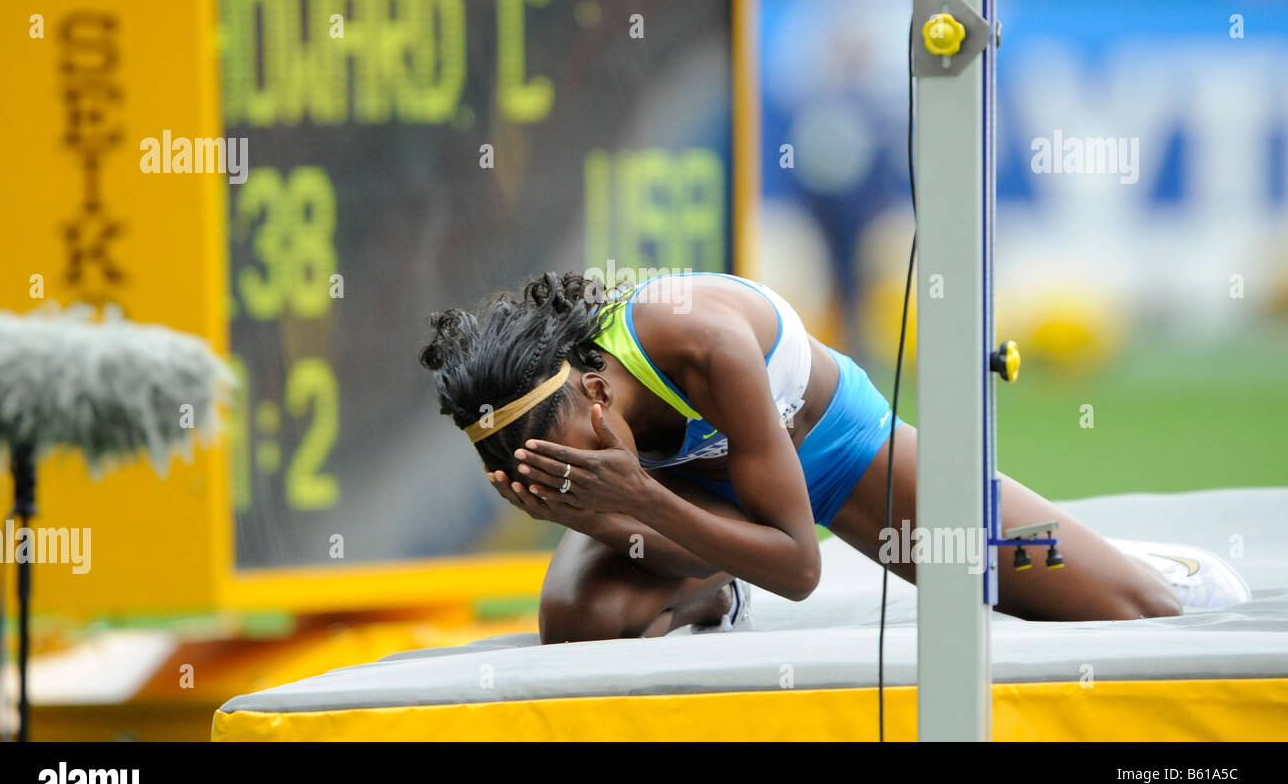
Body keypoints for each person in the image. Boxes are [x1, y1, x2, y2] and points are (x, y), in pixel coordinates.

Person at [420, 271, 1251, 643]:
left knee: (1132, 607)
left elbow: (800, 565)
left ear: (598, 391)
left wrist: (632, 494)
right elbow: (639, 513)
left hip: (831, 451)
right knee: (579, 620)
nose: (571, 479)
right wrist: (593, 504)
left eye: (575, 461)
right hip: (698, 492)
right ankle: (716, 589)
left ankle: (1126, 556)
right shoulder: (571, 428)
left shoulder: (700, 339)